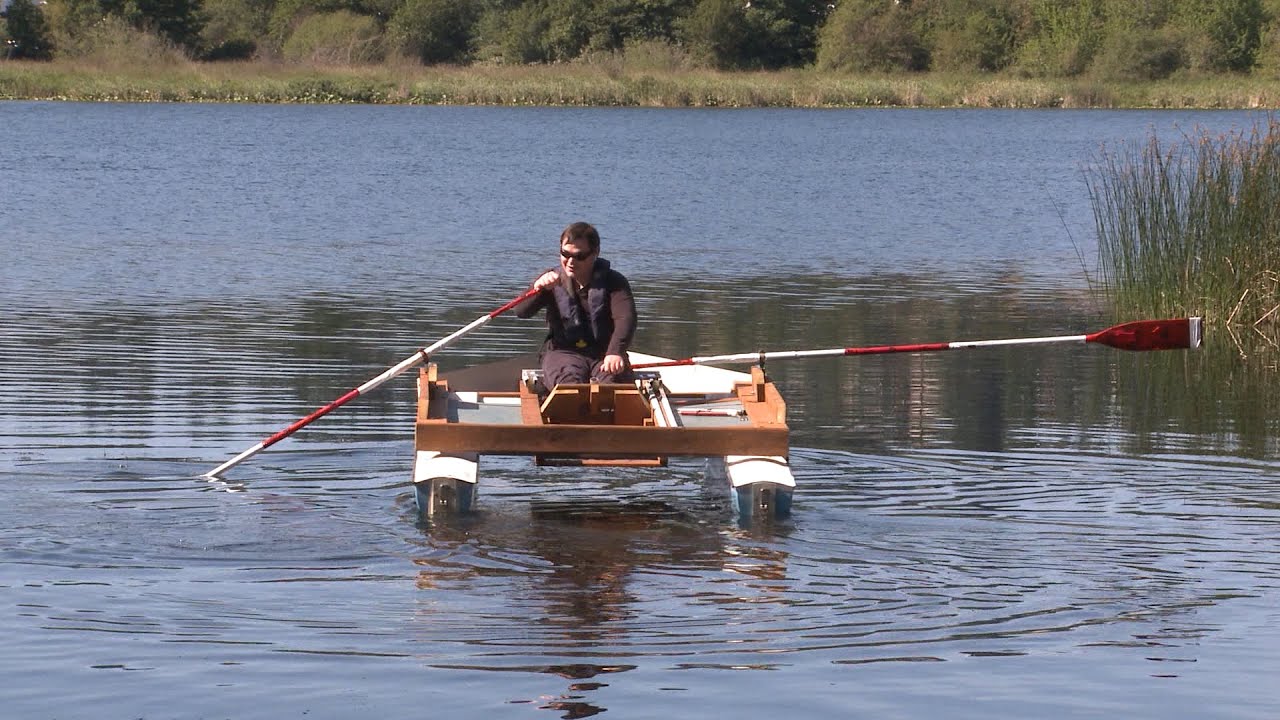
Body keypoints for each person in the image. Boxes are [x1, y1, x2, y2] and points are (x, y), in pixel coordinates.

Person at [516, 221, 637, 388]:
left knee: (612, 388)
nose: (570, 261)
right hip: (563, 352)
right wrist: (538, 289)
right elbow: (521, 311)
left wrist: (615, 352)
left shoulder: (614, 282)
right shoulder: (550, 280)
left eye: (579, 256)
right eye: (565, 254)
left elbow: (626, 319)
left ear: (595, 253)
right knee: (569, 387)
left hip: (604, 353)